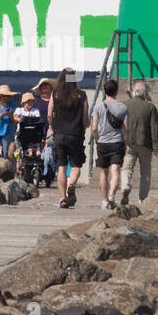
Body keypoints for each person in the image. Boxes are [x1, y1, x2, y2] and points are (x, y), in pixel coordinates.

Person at [48, 67, 88, 209]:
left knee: (61, 168)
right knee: (76, 165)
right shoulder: (81, 95)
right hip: (75, 135)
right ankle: (71, 185)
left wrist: (52, 127)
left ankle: (63, 199)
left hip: (59, 135)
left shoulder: (55, 94)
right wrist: (84, 127)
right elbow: (85, 117)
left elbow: (49, 113)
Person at [120, 82, 158, 205]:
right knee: (145, 172)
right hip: (145, 144)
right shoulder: (150, 107)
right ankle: (142, 199)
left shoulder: (125, 105)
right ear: (145, 93)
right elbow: (155, 128)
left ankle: (125, 186)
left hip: (128, 142)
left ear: (133, 92)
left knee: (126, 168)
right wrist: (156, 147)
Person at [91, 77, 128, 211]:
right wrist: (125, 142)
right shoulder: (123, 107)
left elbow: (94, 127)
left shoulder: (98, 106)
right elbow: (126, 128)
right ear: (116, 91)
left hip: (103, 143)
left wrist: (97, 139)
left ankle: (104, 200)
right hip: (117, 142)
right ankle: (112, 195)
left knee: (103, 173)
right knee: (116, 170)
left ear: (104, 91)